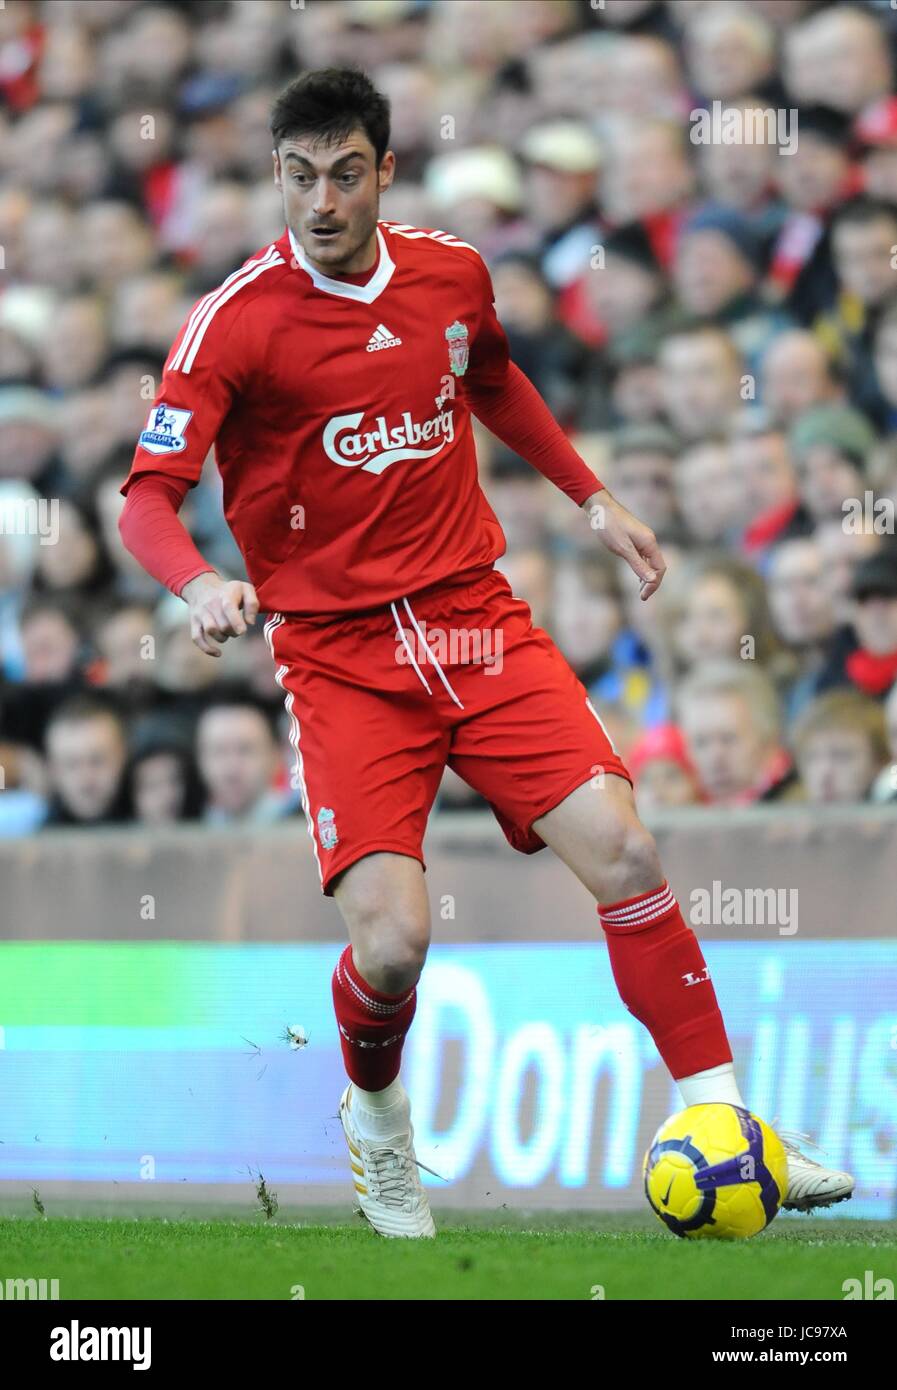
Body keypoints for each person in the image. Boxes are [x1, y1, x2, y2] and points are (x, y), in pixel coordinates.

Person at [118, 67, 852, 1237]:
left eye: (345, 172)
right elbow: (147, 498)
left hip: (473, 620)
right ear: (276, 176)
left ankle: (727, 1123)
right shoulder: (232, 325)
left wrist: (592, 497)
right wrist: (199, 578)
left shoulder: (451, 273)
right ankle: (377, 1120)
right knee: (397, 941)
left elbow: (496, 379)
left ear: (385, 170)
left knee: (623, 844)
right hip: (343, 656)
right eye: (300, 175)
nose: (322, 200)